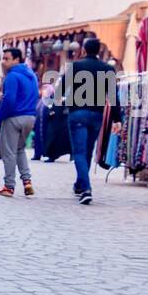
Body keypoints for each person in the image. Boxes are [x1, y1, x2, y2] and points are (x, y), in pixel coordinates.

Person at [63, 37, 120, 205]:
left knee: (79, 153)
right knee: (87, 151)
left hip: (77, 114)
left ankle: (86, 189)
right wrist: (117, 118)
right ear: (98, 50)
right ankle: (80, 185)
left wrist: (59, 108)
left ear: (84, 50)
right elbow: (113, 96)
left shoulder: (75, 66)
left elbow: (61, 90)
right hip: (96, 115)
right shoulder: (107, 69)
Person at [0, 47, 38, 197]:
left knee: (8, 152)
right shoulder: (32, 75)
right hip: (30, 117)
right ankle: (27, 182)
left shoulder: (12, 76)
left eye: (7, 59)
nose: (3, 62)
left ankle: (9, 186)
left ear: (16, 60)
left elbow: (10, 100)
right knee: (20, 150)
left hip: (13, 117)